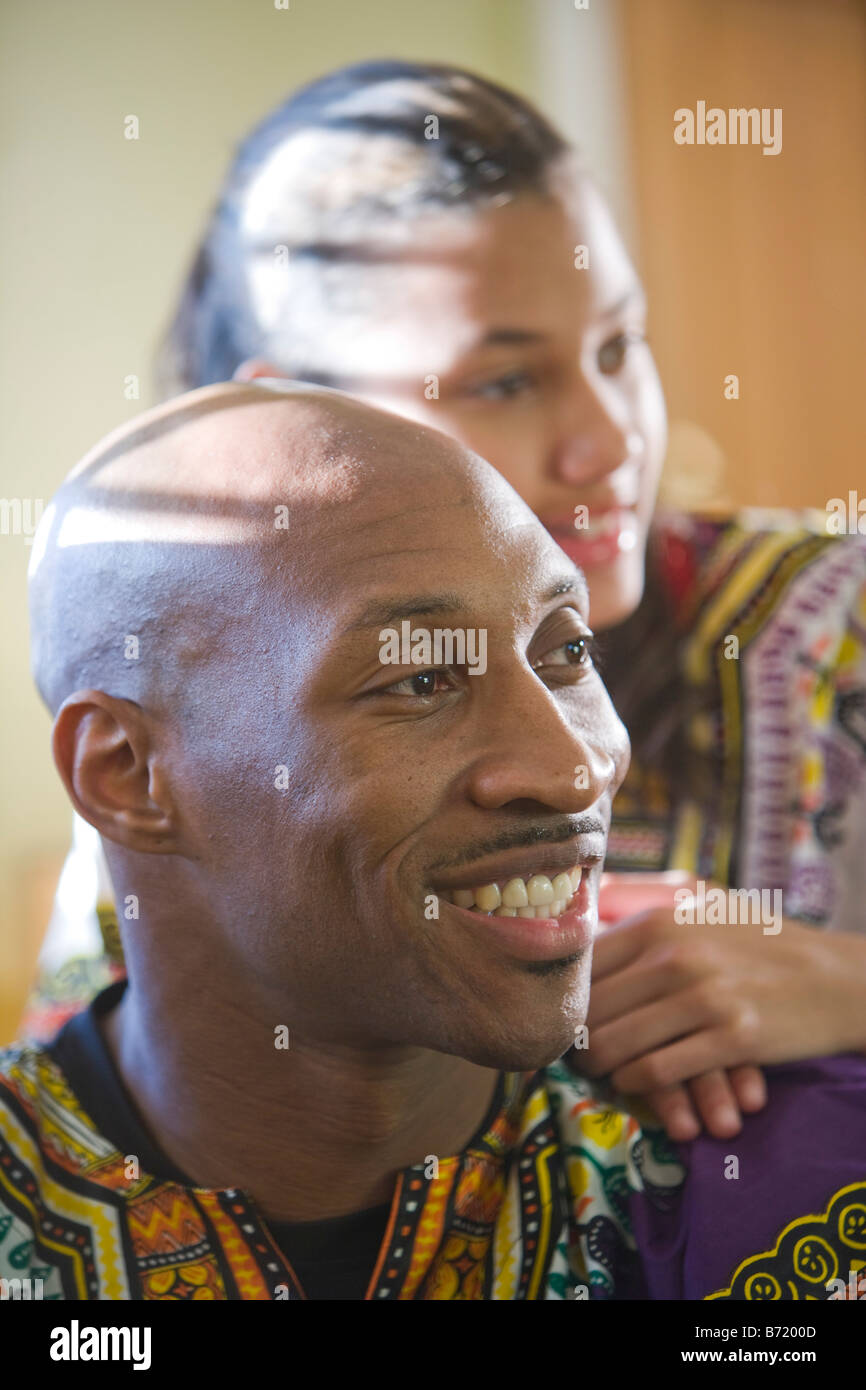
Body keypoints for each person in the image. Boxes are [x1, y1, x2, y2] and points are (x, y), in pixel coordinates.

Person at [23, 61, 866, 1146]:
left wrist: (844, 985)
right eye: (503, 380)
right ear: (290, 417)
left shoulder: (833, 615)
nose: (607, 442)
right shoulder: (200, 753)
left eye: (618, 348)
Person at [4, 382, 866, 1302]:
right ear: (125, 775)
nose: (575, 771)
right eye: (419, 679)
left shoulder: (790, 1186)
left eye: (565, 651)